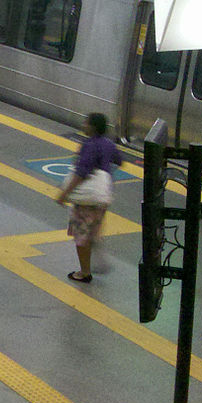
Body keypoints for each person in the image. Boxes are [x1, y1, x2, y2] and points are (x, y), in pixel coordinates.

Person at [56, 112, 121, 283]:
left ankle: (84, 272)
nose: (83, 125)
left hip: (87, 200)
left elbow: (82, 172)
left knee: (81, 236)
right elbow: (119, 161)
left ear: (92, 126)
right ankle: (96, 253)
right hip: (103, 196)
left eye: (86, 123)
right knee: (92, 230)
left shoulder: (89, 145)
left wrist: (63, 194)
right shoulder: (108, 143)